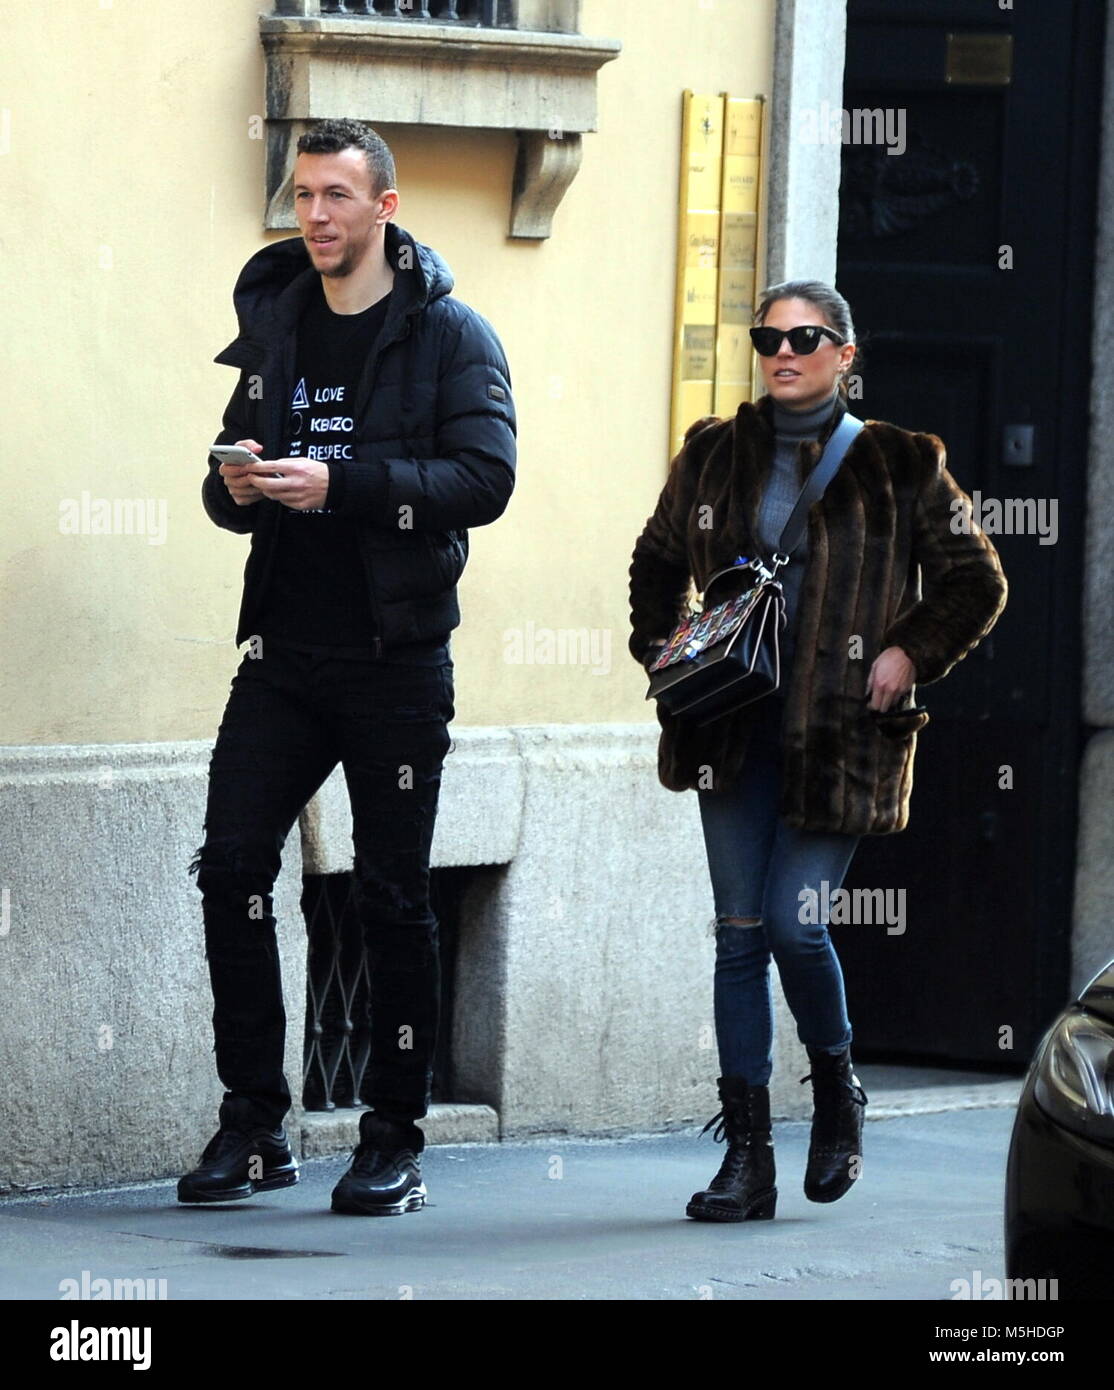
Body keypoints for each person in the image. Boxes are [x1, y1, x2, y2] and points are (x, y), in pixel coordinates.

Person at [180, 119, 516, 1215]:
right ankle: (254, 1120)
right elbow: (229, 471)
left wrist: (345, 486)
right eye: (303, 195)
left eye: (335, 195)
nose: (315, 214)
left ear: (386, 206)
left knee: (391, 896)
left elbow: (483, 477)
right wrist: (230, 489)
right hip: (283, 655)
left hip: (395, 660)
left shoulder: (450, 334)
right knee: (232, 865)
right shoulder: (277, 320)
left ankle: (393, 1134)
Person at [628, 281, 1007, 1222]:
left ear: (844, 353)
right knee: (738, 936)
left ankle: (837, 1092)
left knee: (795, 925)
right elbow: (654, 557)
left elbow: (977, 580)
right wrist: (669, 652)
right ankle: (746, 1160)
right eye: (768, 337)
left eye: (805, 337)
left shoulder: (902, 464)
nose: (783, 352)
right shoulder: (713, 453)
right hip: (729, 729)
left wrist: (907, 651)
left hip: (839, 736)